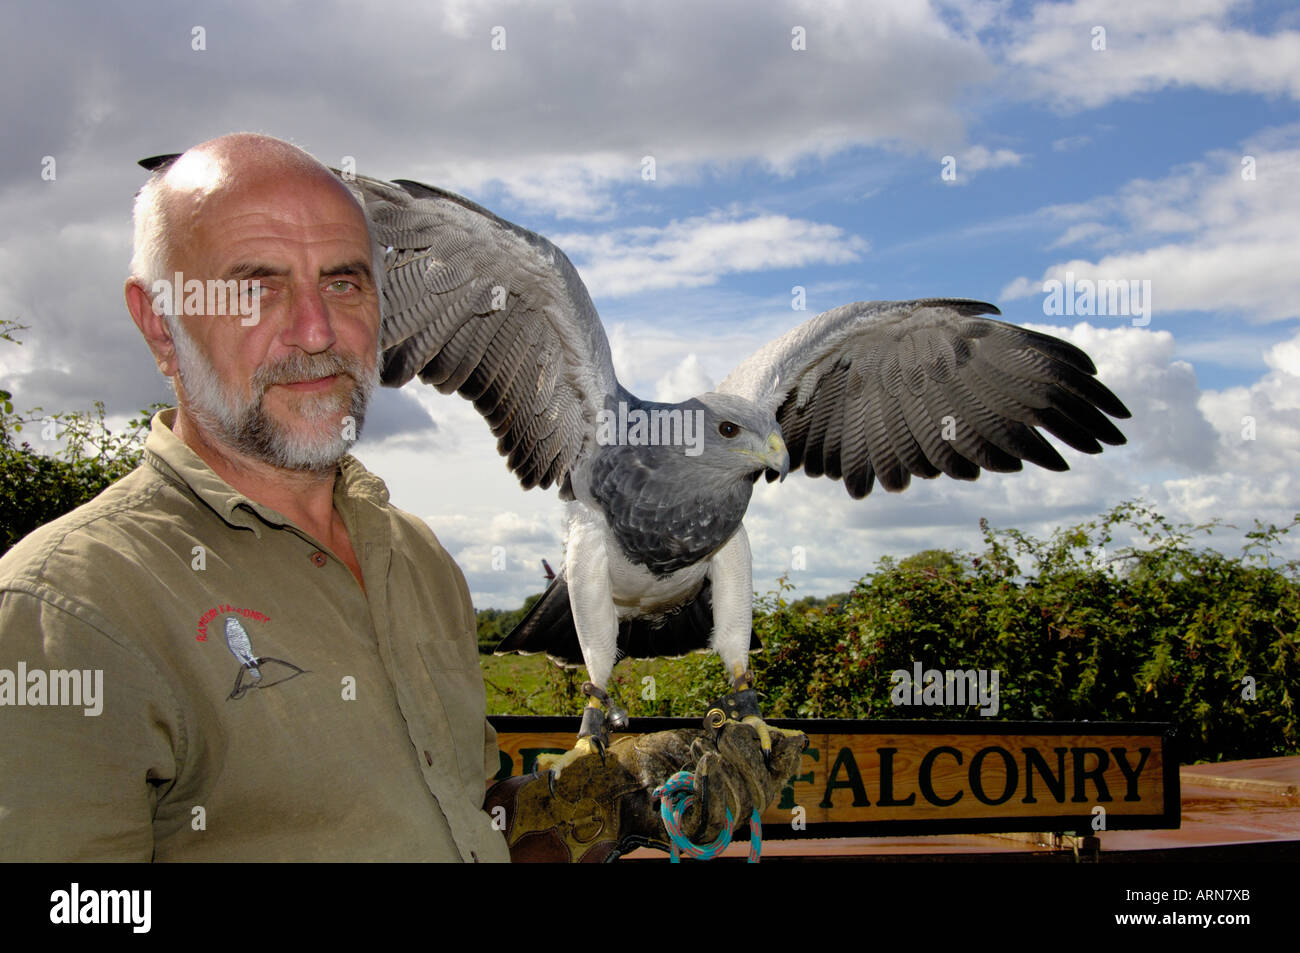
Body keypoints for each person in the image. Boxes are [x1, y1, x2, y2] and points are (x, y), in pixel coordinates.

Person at [0, 133, 510, 861]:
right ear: (159, 325)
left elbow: (460, 807)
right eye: (254, 287)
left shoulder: (417, 558)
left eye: (343, 282)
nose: (316, 330)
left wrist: (580, 814)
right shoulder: (65, 609)